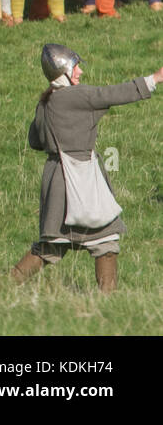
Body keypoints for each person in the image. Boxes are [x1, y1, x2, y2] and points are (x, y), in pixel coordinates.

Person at [11, 44, 163, 293]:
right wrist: (154, 79)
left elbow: (35, 141)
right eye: (76, 67)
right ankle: (107, 299)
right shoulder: (76, 96)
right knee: (105, 239)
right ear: (64, 73)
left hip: (55, 179)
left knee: (53, 244)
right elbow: (111, 94)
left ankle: (5, 284)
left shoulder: (46, 101)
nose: (80, 72)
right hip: (79, 178)